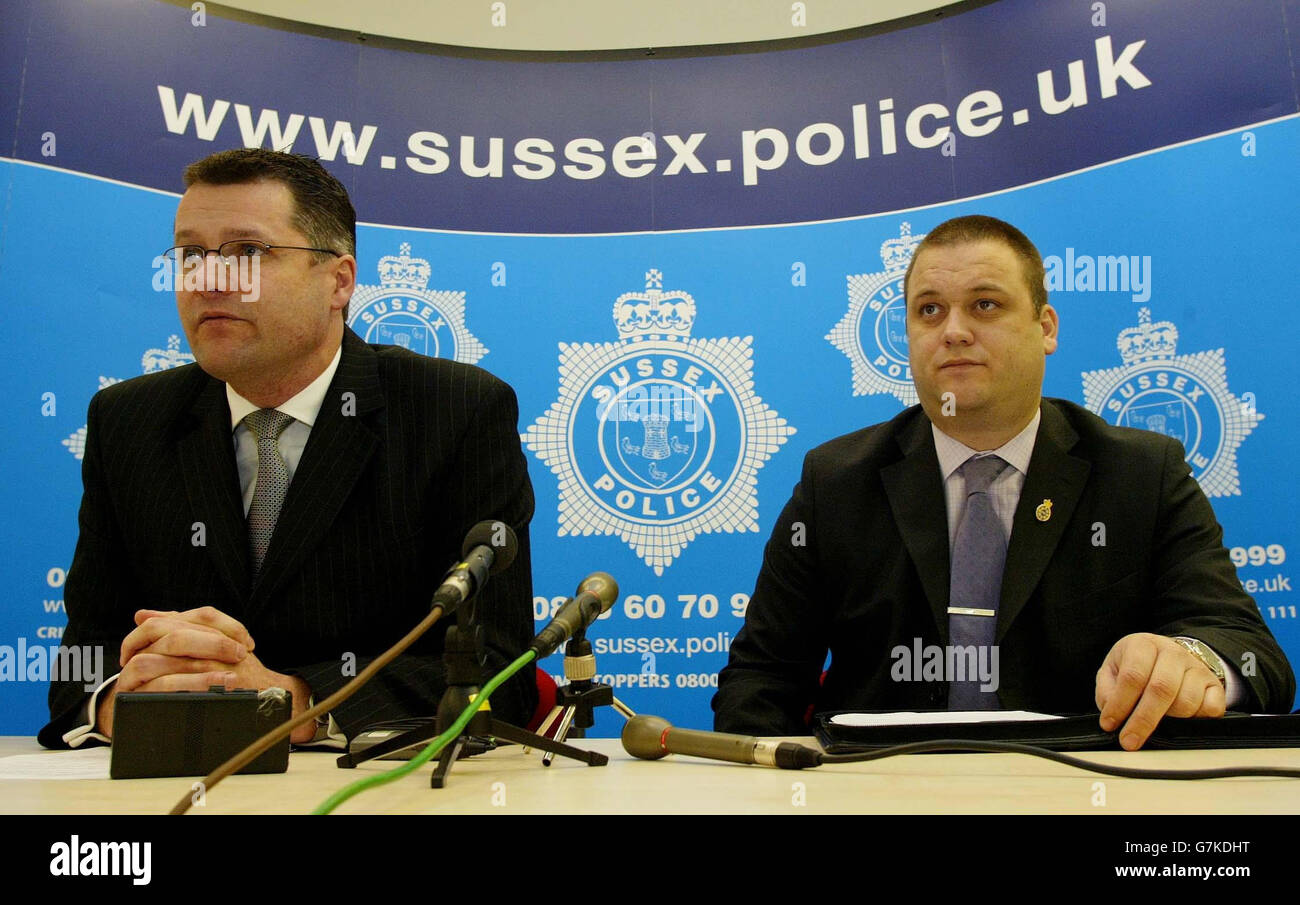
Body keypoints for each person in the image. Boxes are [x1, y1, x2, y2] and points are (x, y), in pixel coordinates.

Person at [713, 214, 1294, 749]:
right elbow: (762, 679)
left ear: (1045, 327)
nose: (955, 331)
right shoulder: (836, 480)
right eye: (929, 310)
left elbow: (1250, 654)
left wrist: (1191, 661)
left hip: (1087, 793)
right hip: (879, 794)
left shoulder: (1141, 473)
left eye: (986, 305)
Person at [40, 149, 537, 748]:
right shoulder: (129, 421)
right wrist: (123, 702)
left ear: (339, 280)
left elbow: (498, 669)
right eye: (191, 255)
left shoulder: (454, 410)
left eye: (248, 252)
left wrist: (292, 703)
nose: (209, 279)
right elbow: (81, 664)